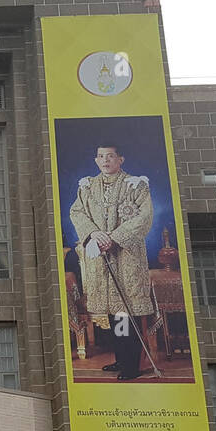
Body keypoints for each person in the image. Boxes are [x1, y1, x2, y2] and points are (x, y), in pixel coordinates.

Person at [68, 144, 155, 380]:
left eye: (110, 156)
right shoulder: (87, 187)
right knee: (115, 315)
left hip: (127, 258)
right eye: (101, 156)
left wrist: (114, 239)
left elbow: (144, 217)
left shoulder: (136, 185)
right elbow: (77, 213)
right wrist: (94, 234)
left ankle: (131, 366)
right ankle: (121, 359)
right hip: (101, 258)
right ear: (96, 161)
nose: (105, 160)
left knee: (126, 313)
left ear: (120, 159)